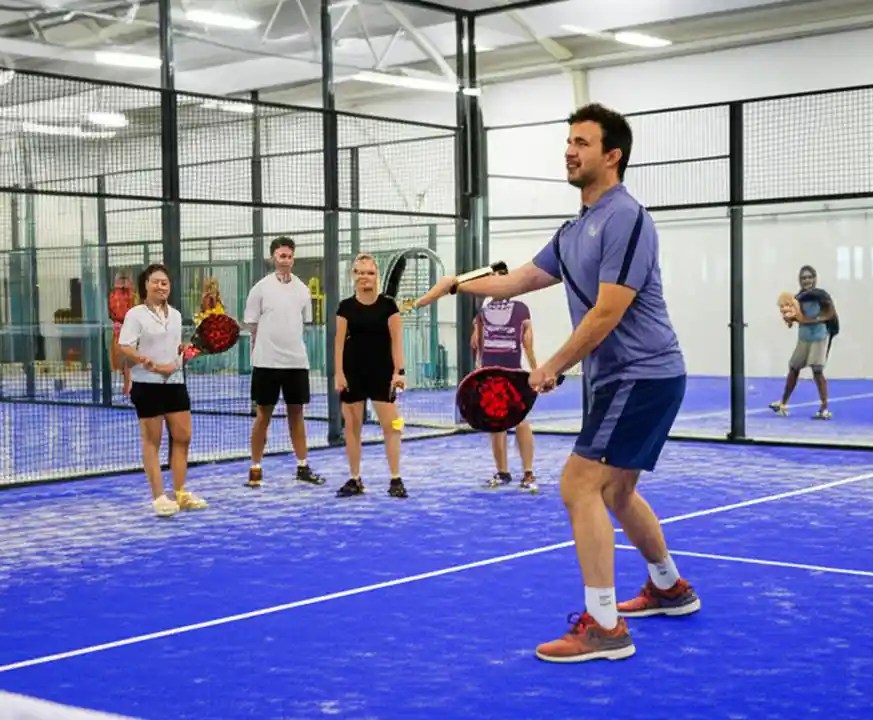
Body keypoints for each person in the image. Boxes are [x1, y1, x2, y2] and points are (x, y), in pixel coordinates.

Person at [412, 103, 700, 663]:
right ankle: (669, 588)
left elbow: (608, 312)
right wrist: (455, 284)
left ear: (612, 155)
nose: (570, 151)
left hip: (640, 374)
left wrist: (552, 366)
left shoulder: (627, 218)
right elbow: (520, 277)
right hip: (627, 378)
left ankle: (604, 627)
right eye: (568, 142)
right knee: (615, 490)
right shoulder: (573, 230)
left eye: (583, 143)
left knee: (576, 486)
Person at [118, 263, 208, 517]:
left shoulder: (177, 315)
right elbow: (125, 346)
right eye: (155, 281)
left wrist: (186, 354)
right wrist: (143, 360)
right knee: (152, 441)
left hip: (175, 383)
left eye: (165, 282)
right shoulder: (135, 314)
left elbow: (176, 348)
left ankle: (180, 493)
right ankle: (159, 497)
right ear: (145, 285)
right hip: (147, 384)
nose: (161, 286)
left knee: (183, 436)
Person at [242, 237, 325, 488]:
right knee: (262, 416)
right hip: (266, 363)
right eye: (281, 256)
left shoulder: (302, 289)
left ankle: (302, 466)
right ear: (272, 258)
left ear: (293, 258)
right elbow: (252, 324)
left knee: (297, 415)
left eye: (289, 256)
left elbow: (304, 321)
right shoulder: (260, 288)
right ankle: (255, 469)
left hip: (296, 363)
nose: (285, 260)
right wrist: (258, 348)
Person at [333, 253, 407, 499]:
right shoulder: (345, 307)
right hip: (353, 374)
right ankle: (355, 479)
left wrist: (400, 372)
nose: (365, 277)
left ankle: (395, 479)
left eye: (370, 272)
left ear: (377, 276)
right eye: (360, 272)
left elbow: (397, 341)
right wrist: (339, 374)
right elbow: (339, 344)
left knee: (393, 426)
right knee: (352, 427)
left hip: (383, 375)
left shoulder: (389, 306)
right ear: (353, 276)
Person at [471, 298, 538, 491]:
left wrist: (535, 370)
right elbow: (478, 341)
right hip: (495, 372)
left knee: (516, 420)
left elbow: (476, 342)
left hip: (503, 372)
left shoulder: (515, 308)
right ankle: (509, 472)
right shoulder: (487, 309)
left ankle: (524, 472)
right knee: (500, 421)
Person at [769, 265, 835, 420]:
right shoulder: (797, 298)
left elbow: (829, 313)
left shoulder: (821, 295)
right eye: (804, 278)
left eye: (809, 277)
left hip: (818, 336)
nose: (807, 280)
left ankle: (824, 408)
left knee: (817, 371)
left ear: (814, 279)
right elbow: (794, 315)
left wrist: (813, 320)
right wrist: (790, 318)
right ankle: (783, 403)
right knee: (793, 368)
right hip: (804, 337)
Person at [108, 270, 136, 397]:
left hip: (129, 329)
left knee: (128, 361)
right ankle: (127, 387)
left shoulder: (131, 294)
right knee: (122, 360)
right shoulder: (114, 295)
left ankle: (128, 387)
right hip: (119, 329)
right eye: (121, 279)